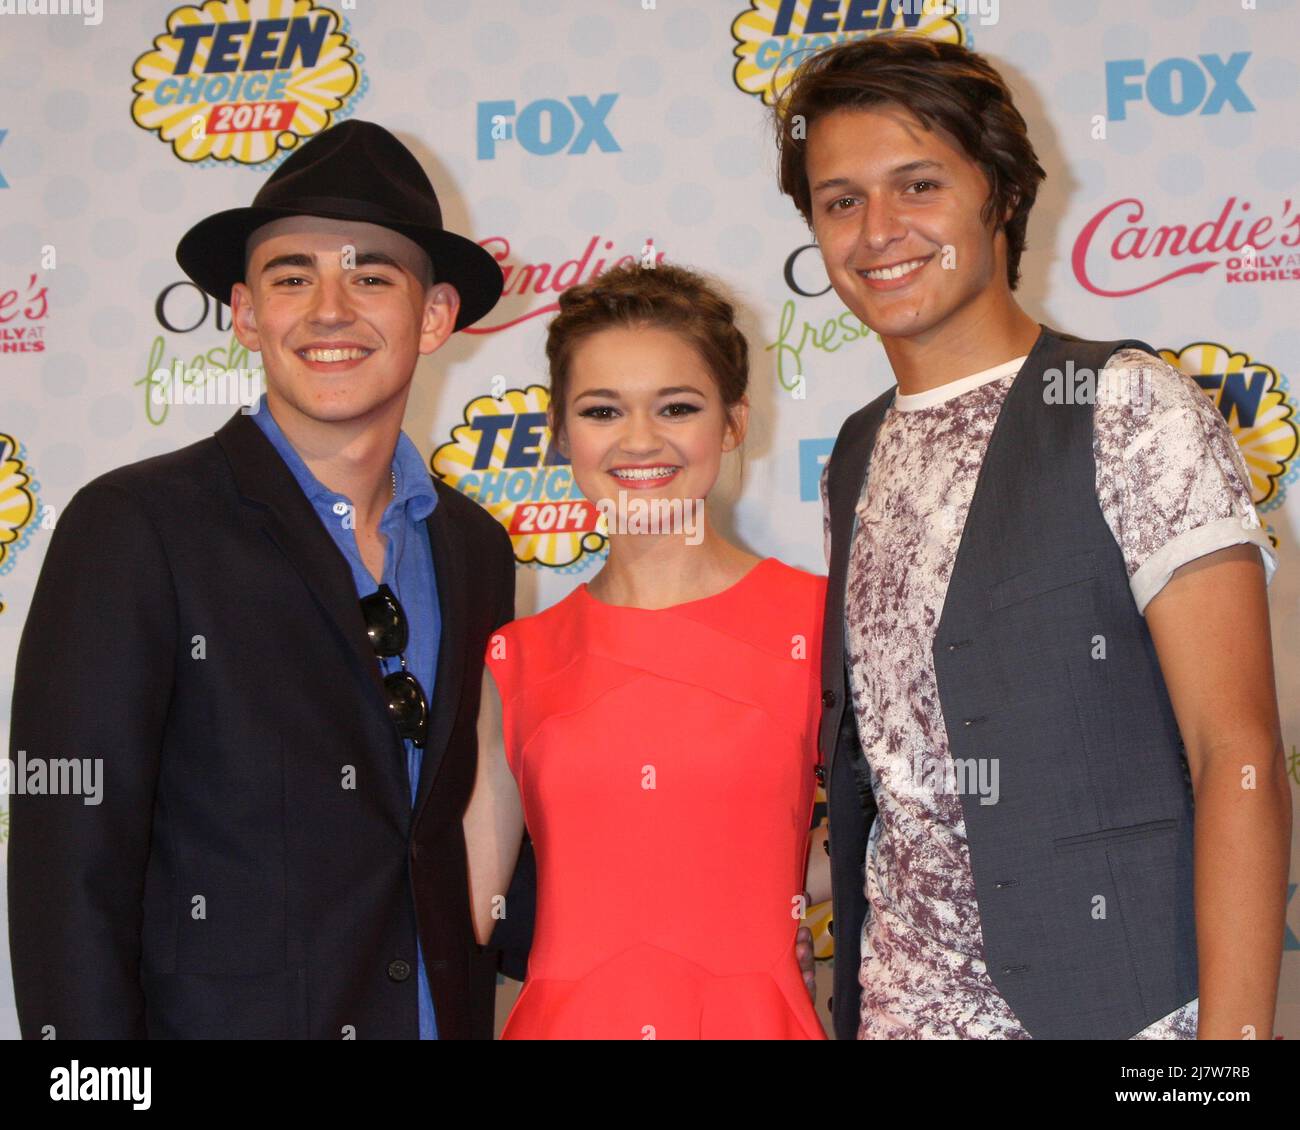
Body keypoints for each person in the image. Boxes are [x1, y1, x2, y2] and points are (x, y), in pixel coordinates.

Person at [772, 35, 1291, 1039]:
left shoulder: (1130, 405)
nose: (879, 230)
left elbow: (1241, 756)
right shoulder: (855, 449)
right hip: (899, 1011)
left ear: (1001, 195)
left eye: (916, 185)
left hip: (1123, 1016)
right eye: (840, 201)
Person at [7, 120, 532, 1039]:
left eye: (372, 275)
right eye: (292, 277)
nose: (330, 309)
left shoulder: (474, 546)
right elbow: (67, 871)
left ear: (438, 315)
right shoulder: (135, 527)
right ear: (246, 313)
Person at [462, 261, 829, 1039]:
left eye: (677, 407)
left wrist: (779, 898)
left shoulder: (820, 620)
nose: (639, 441)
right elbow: (467, 901)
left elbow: (904, 827)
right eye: (601, 410)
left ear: (733, 423)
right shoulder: (517, 656)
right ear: (560, 433)